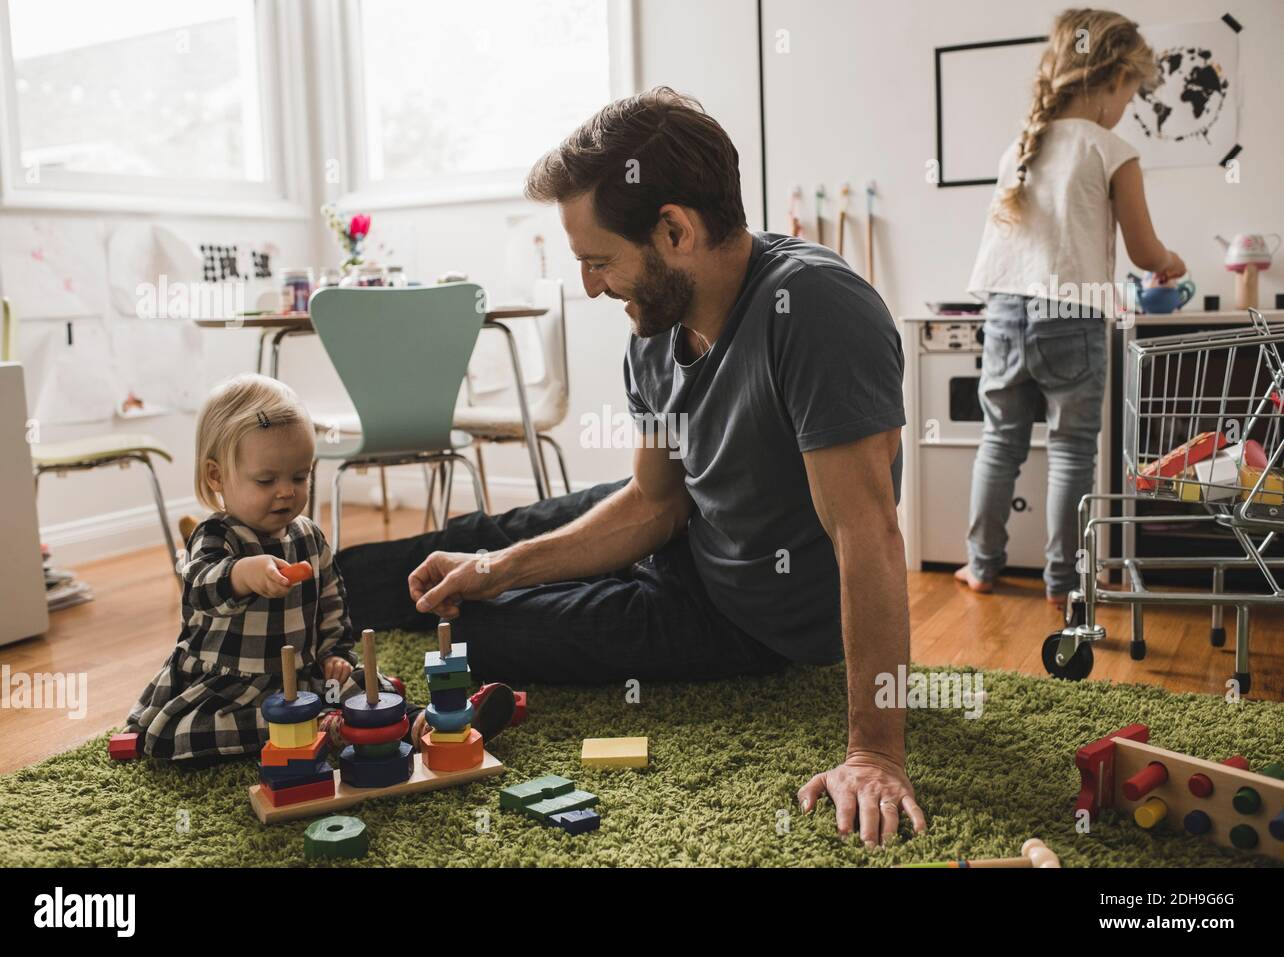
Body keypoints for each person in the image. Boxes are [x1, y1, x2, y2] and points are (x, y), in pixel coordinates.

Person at [339, 87, 924, 847]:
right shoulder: (657, 325)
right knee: (470, 546)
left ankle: (442, 608)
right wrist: (502, 564)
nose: (589, 285)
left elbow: (867, 536)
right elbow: (654, 503)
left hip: (747, 618)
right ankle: (294, 592)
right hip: (689, 530)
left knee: (483, 634)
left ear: (674, 229)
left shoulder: (816, 310)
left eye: (599, 261)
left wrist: (874, 751)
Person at [126, 374, 514, 765]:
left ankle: (422, 725)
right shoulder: (216, 536)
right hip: (231, 685)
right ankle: (323, 727)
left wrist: (335, 651)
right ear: (217, 476)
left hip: (305, 675)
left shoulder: (308, 535)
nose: (286, 491)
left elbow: (332, 602)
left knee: (367, 684)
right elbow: (199, 589)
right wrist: (242, 573)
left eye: (300, 476)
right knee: (172, 734)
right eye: (266, 480)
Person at [957, 8, 1185, 608]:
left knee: (999, 442)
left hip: (1004, 312)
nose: (1128, 107)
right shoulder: (1112, 150)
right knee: (1071, 450)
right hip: (1074, 312)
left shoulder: (1020, 148)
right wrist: (1171, 260)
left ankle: (981, 565)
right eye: (1131, 93)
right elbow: (1143, 250)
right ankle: (1063, 583)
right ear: (1111, 80)